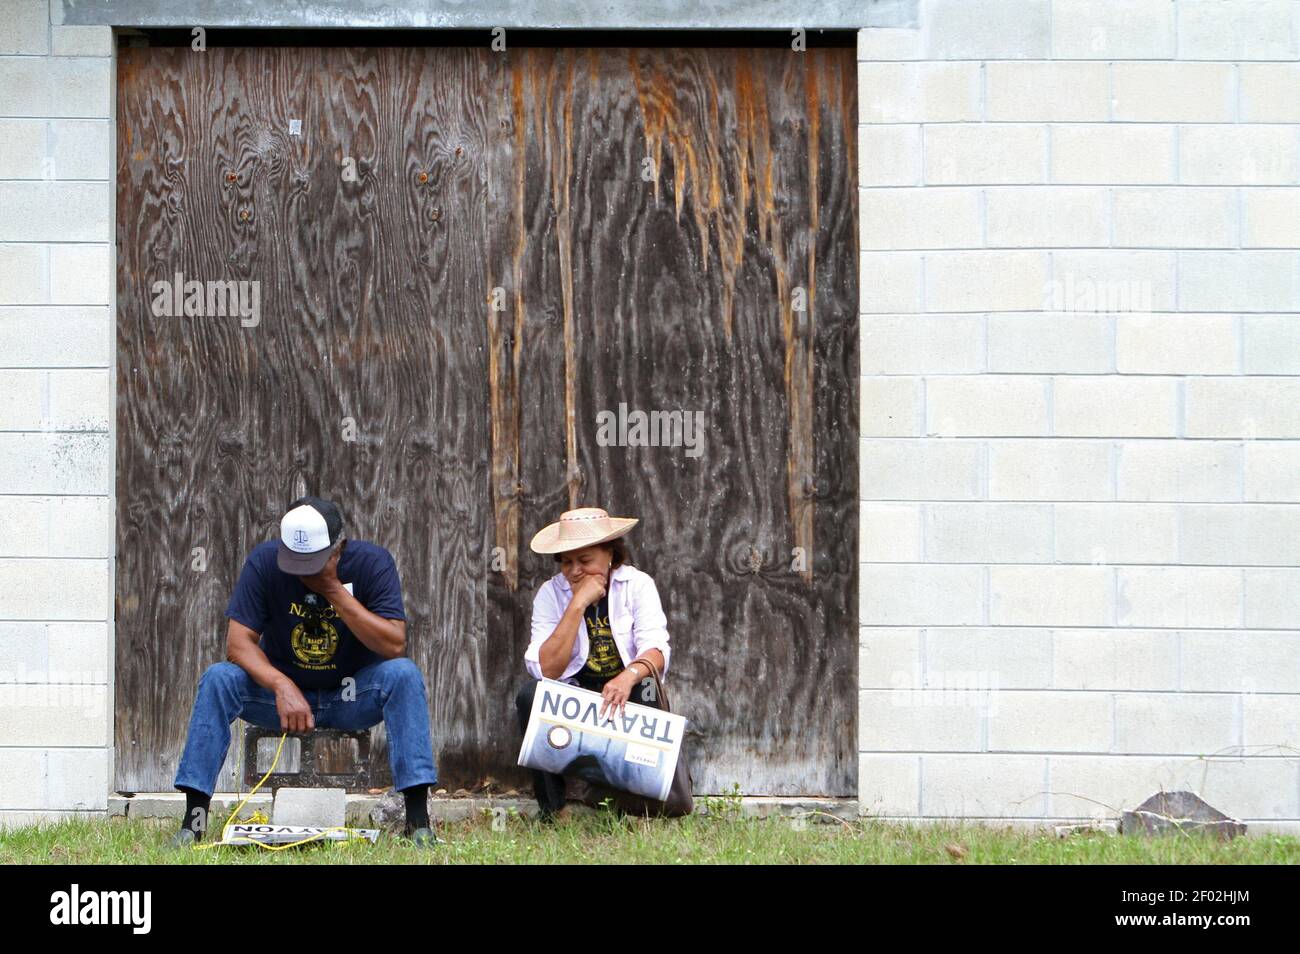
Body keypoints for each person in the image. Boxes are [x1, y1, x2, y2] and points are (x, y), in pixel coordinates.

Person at [170, 496, 441, 847]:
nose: (302, 571)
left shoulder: (373, 563)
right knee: (218, 679)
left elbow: (393, 645)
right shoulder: (264, 562)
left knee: (404, 675)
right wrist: (281, 684)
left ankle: (418, 823)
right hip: (280, 699)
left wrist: (332, 589)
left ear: (338, 548)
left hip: (351, 695)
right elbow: (238, 644)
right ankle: (193, 823)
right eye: (295, 562)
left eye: (312, 562)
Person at [515, 507, 672, 819]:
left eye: (584, 561)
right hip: (576, 699)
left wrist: (629, 676)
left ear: (610, 555)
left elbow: (656, 649)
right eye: (566, 561)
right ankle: (554, 810)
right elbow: (547, 669)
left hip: (624, 696)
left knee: (648, 688)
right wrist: (577, 603)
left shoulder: (637, 585)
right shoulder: (551, 594)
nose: (574, 570)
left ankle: (637, 810)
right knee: (530, 696)